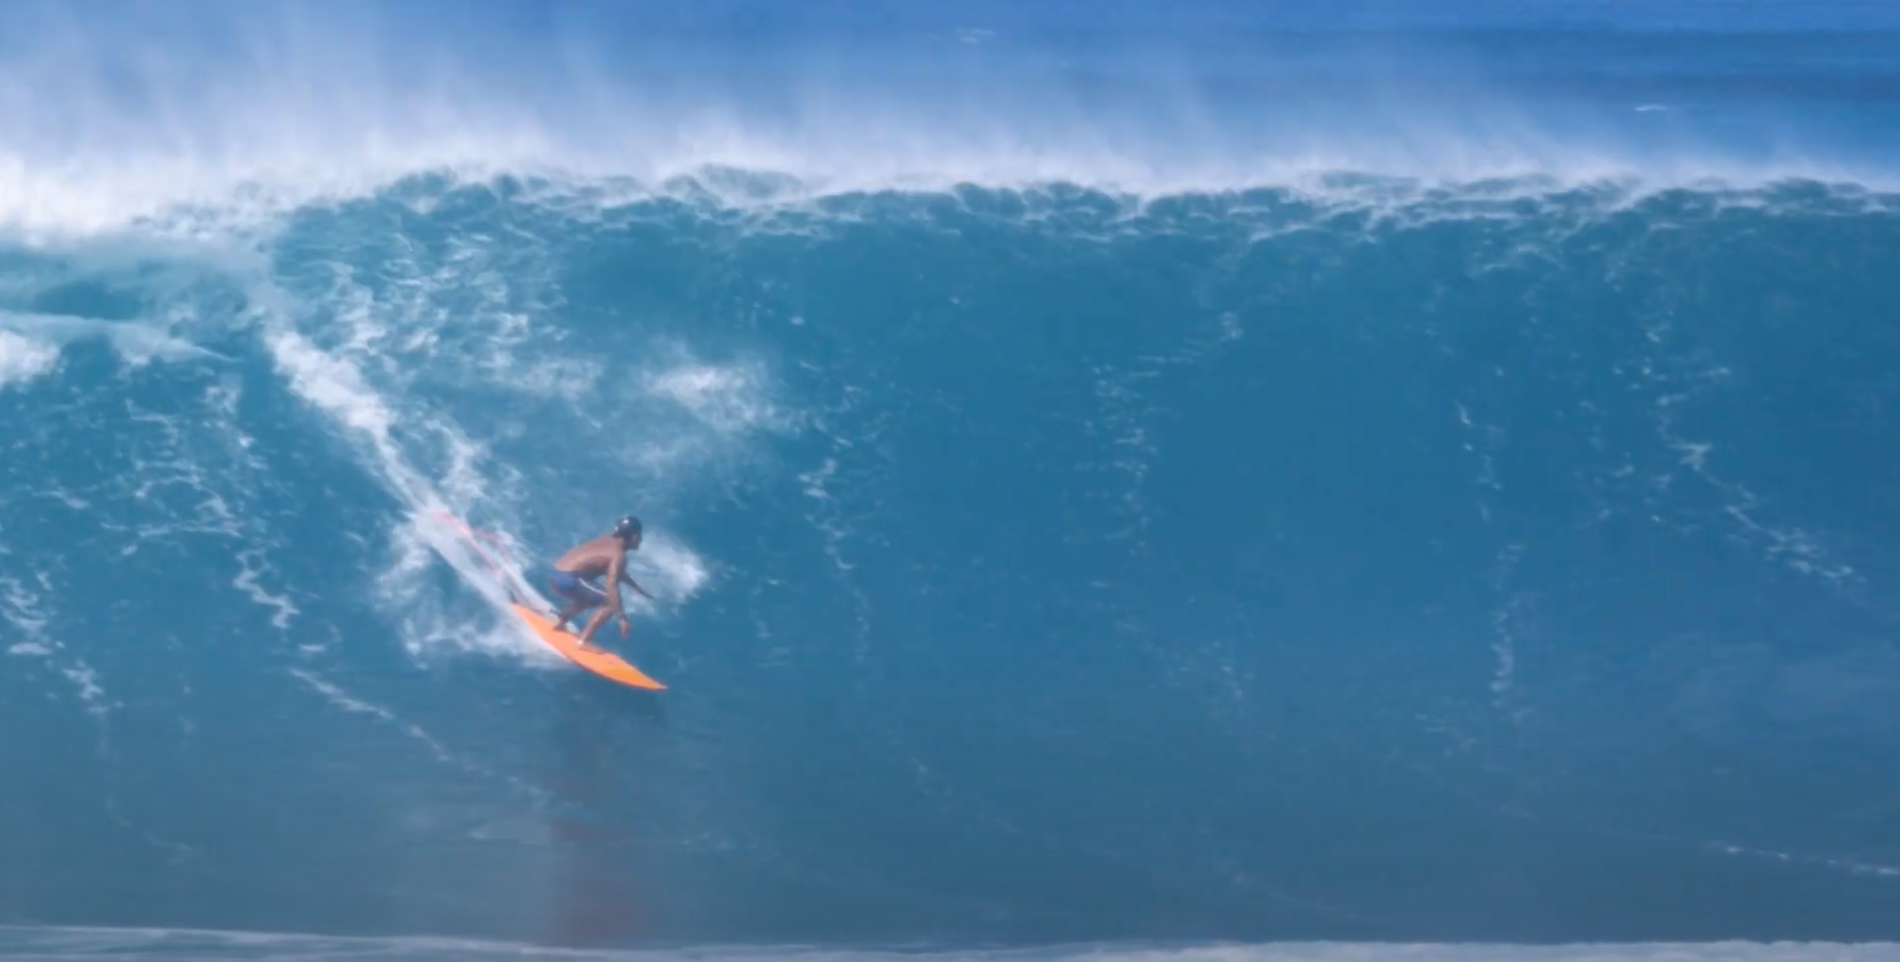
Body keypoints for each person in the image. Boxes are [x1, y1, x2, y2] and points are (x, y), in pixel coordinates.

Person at [547, 515, 655, 652]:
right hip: (568, 579)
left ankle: (560, 622)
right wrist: (621, 617)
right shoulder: (618, 555)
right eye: (639, 535)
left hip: (555, 574)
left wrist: (637, 588)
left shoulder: (606, 540)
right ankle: (583, 641)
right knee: (610, 601)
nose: (640, 539)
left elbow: (615, 571)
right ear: (633, 536)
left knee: (588, 595)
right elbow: (611, 584)